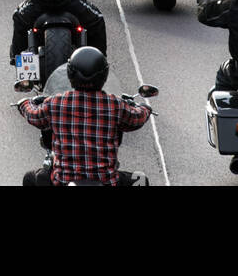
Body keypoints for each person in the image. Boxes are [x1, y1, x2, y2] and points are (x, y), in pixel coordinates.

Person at [18, 46, 151, 187]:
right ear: (104, 75)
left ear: (70, 73)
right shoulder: (115, 104)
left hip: (62, 181)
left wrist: (25, 103)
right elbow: (138, 118)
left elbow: (33, 115)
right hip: (107, 182)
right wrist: (145, 108)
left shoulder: (56, 102)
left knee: (30, 178)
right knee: (142, 180)